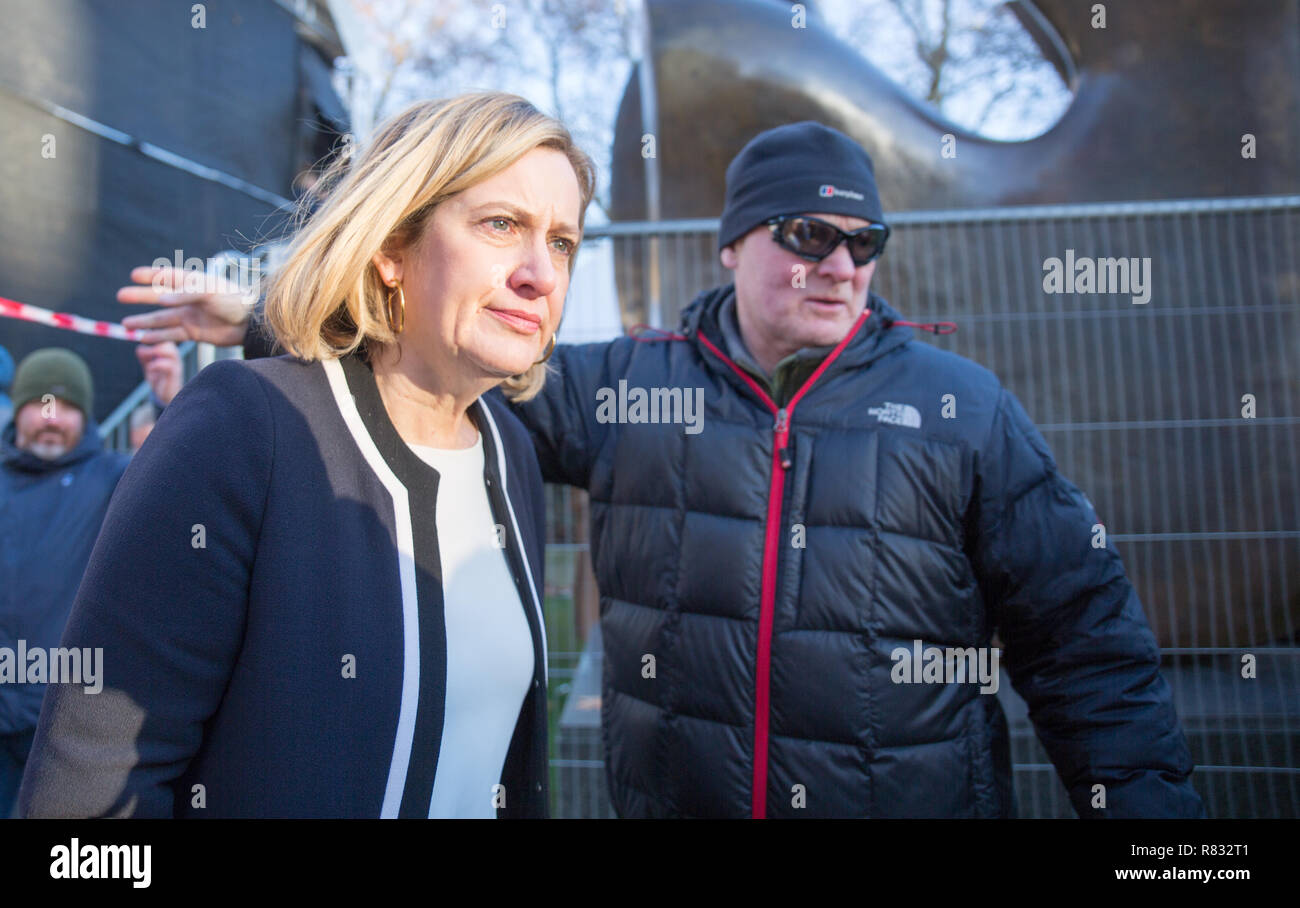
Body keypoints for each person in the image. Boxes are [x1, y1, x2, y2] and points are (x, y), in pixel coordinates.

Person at [114, 121, 1202, 819]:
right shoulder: (627, 387)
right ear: (729, 245)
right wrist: (275, 313)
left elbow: (1084, 640)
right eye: (808, 232)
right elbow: (438, 364)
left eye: (865, 242)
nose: (840, 264)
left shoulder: (963, 409)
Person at [19, 91, 595, 818]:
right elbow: (88, 795)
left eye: (563, 242)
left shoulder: (510, 452)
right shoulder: (242, 427)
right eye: (502, 224)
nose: (539, 273)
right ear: (391, 247)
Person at [0, 343, 179, 818]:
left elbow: (175, 480)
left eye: (66, 406)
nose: (51, 419)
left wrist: (169, 404)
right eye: (40, 405)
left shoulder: (112, 478)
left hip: (64, 726)